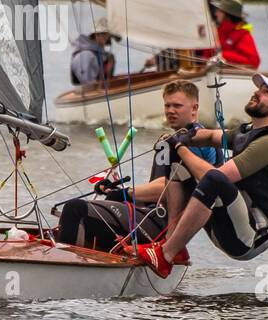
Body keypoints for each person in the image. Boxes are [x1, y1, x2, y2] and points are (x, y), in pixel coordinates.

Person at [136, 73, 268, 277]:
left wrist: (180, 147)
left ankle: (164, 256)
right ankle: (173, 247)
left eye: (266, 92)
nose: (257, 92)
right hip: (234, 219)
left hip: (249, 237)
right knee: (177, 164)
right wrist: (185, 135)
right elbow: (211, 136)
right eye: (259, 89)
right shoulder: (248, 132)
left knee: (214, 179)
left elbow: (217, 176)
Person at [53, 80, 217, 255]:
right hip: (151, 215)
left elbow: (172, 188)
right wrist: (114, 190)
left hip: (163, 225)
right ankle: (90, 261)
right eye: (167, 105)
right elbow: (156, 190)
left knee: (75, 208)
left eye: (177, 105)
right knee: (94, 209)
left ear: (194, 108)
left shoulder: (196, 139)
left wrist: (127, 192)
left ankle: (65, 265)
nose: (170, 110)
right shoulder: (175, 137)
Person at [208, 0, 261, 68]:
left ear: (227, 15)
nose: (216, 14)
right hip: (204, 73)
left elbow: (254, 62)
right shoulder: (216, 31)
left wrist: (223, 56)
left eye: (219, 11)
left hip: (228, 76)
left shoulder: (243, 36)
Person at [69, 17, 118, 85]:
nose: (108, 37)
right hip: (90, 92)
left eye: (108, 35)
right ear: (96, 35)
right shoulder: (87, 54)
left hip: (102, 90)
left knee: (110, 57)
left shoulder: (104, 56)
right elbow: (86, 83)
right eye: (104, 34)